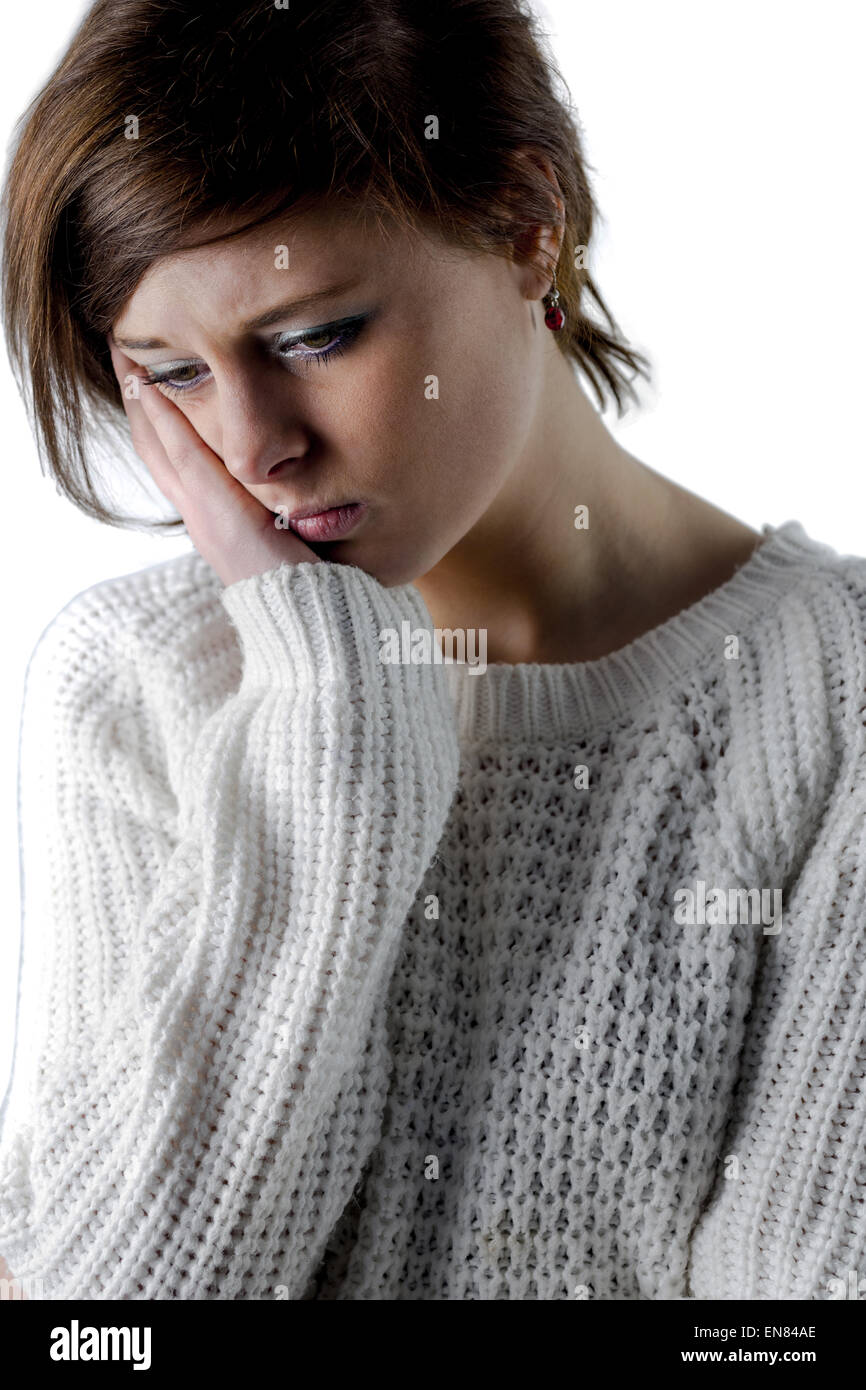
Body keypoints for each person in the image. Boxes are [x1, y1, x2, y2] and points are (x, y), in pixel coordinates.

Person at [1, 0, 864, 1301]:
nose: (251, 448)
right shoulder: (135, 688)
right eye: (171, 372)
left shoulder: (834, 693)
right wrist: (331, 720)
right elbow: (104, 1323)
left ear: (527, 225)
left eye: (314, 337)